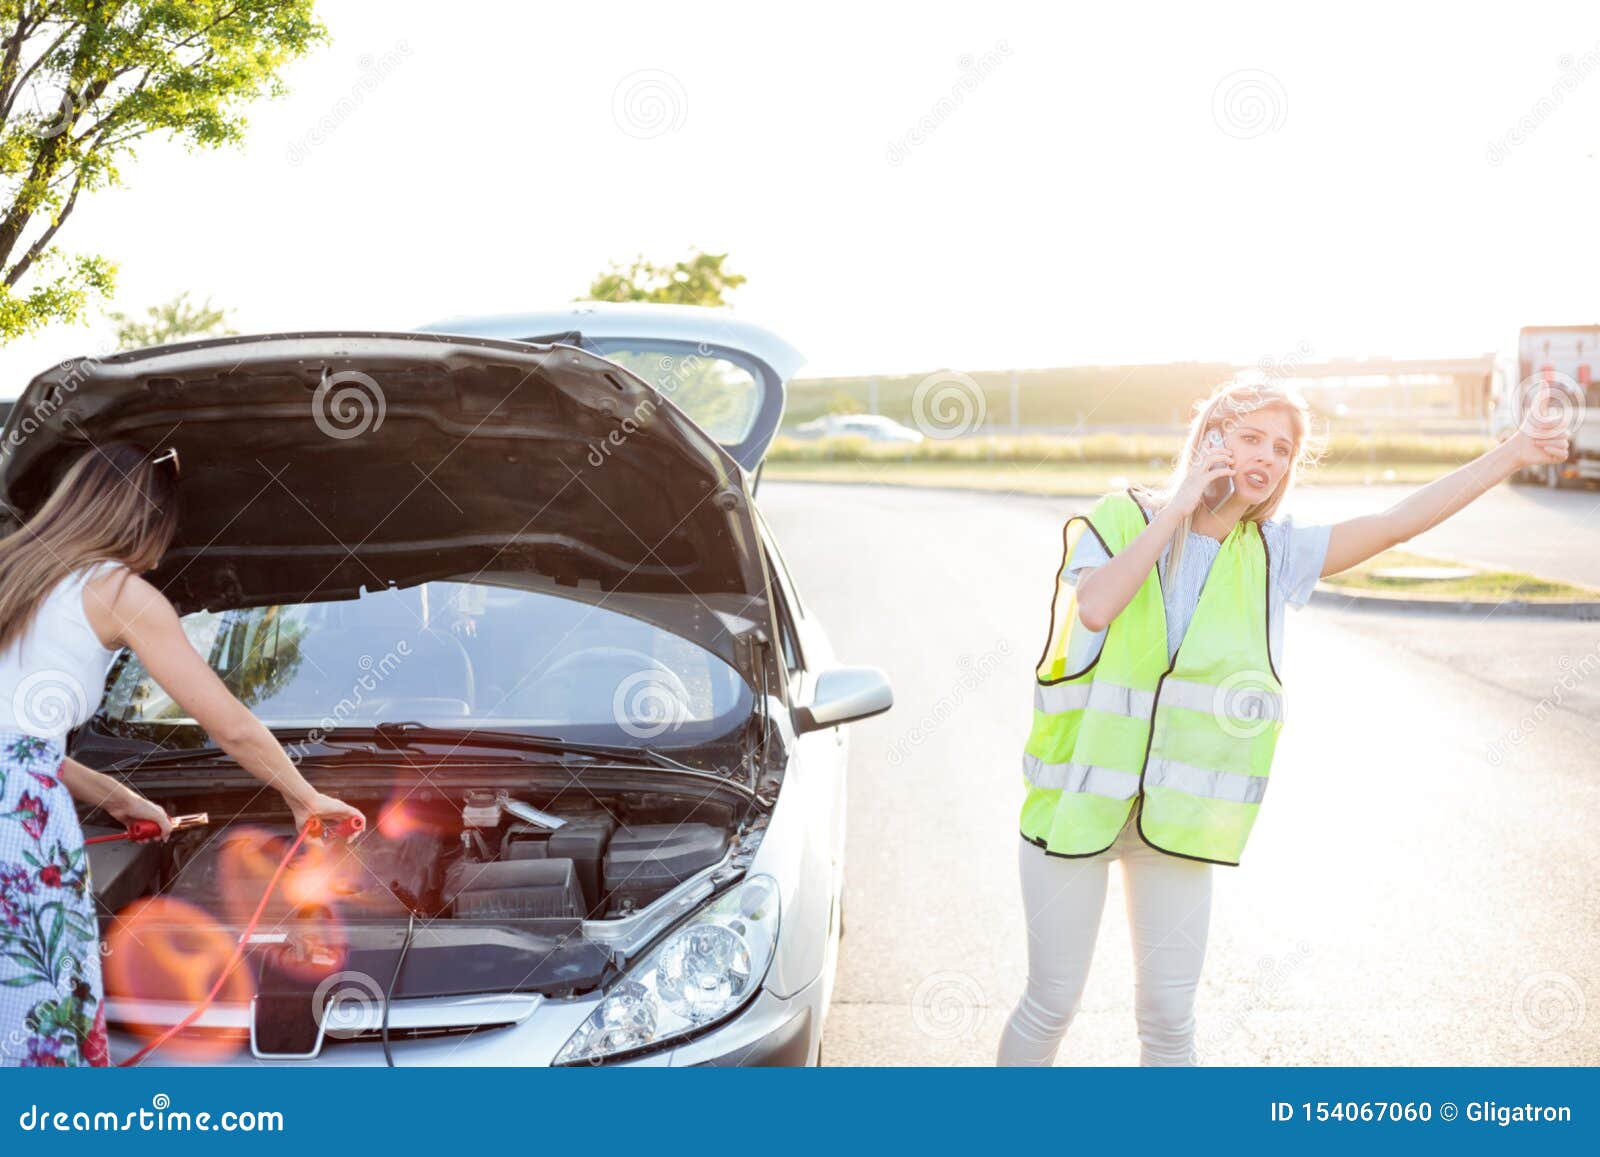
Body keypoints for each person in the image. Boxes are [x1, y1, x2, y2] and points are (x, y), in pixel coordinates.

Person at [996, 374, 1571, 1067]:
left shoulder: (1274, 550)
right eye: (1250, 437)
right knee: (1052, 1003)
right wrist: (1178, 509)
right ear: (1210, 437)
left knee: (1170, 1021)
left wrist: (1513, 452)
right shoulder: (1119, 515)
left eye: (1282, 447)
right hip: (1074, 809)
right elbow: (1096, 605)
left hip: (1172, 824)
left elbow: (1396, 521)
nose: (1267, 456)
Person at [0, 442, 365, 1067]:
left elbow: (16, 738)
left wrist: (119, 798)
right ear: (146, 524)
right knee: (38, 1016)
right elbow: (230, 725)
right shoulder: (117, 591)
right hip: (20, 824)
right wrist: (301, 794)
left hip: (22, 790)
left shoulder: (15, 573)